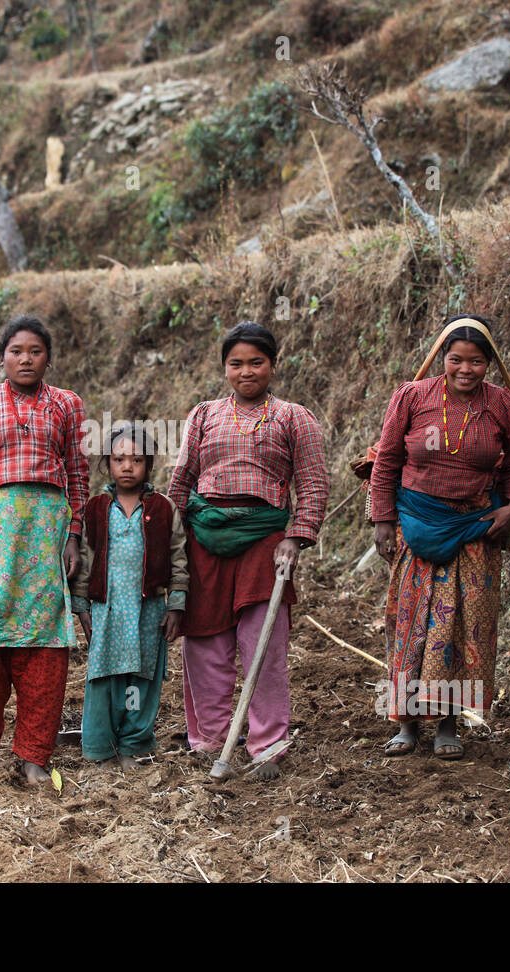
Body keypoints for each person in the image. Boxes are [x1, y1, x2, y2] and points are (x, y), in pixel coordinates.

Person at [168, 321, 329, 781]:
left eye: (256, 362)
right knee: (205, 645)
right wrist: (173, 539)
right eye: (235, 363)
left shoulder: (294, 417)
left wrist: (295, 537)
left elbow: (313, 484)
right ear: (224, 368)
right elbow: (182, 479)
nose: (246, 371)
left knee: (263, 643)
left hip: (265, 541)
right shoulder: (203, 415)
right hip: (205, 538)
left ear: (273, 365)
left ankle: (267, 743)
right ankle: (211, 739)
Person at [369, 316, 510, 760]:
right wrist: (383, 519)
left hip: (477, 530)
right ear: (443, 358)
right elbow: (386, 461)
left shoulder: (503, 405)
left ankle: (447, 723)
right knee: (412, 624)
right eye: (456, 359)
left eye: (477, 361)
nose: (466, 369)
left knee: (462, 627)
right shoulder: (412, 397)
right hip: (416, 526)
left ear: (490, 362)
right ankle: (405, 723)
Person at [0, 314, 90, 785]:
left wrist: (73, 534)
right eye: (16, 351)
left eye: (35, 351)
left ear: (49, 357)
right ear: (2, 356)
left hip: (46, 536)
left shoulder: (67, 405)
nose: (25, 359)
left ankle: (34, 755)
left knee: (46, 637)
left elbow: (77, 474)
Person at [70, 424, 187, 768]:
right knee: (105, 678)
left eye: (136, 459)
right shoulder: (95, 509)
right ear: (108, 462)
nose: (127, 466)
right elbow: (86, 559)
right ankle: (101, 747)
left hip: (148, 609)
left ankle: (134, 744)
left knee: (141, 680)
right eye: (119, 458)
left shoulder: (164, 508)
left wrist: (176, 603)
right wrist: (81, 606)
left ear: (149, 465)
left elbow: (179, 556)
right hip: (107, 610)